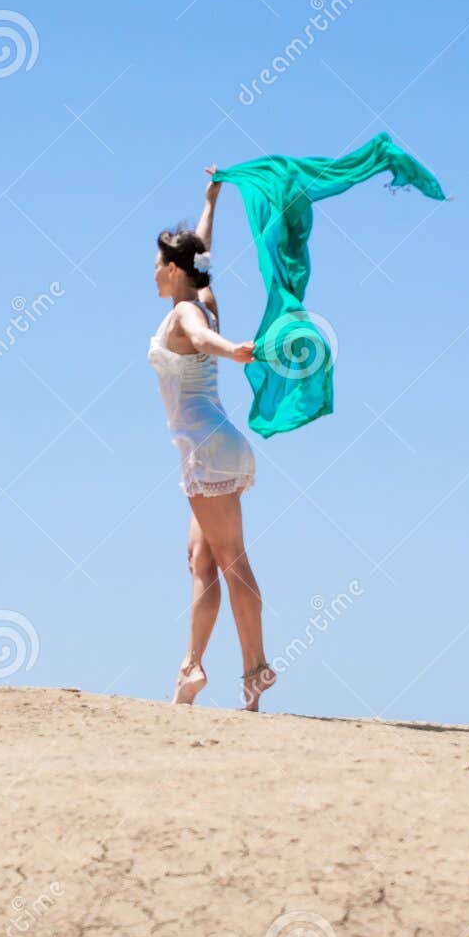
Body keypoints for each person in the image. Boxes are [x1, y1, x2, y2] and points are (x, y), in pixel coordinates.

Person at [148, 168, 276, 712]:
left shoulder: (186, 314)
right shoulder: (203, 296)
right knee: (201, 563)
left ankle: (256, 668)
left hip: (208, 449)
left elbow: (201, 338)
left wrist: (232, 350)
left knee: (231, 560)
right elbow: (204, 260)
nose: (153, 273)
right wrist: (210, 201)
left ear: (171, 269)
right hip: (211, 448)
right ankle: (191, 668)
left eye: (158, 264)